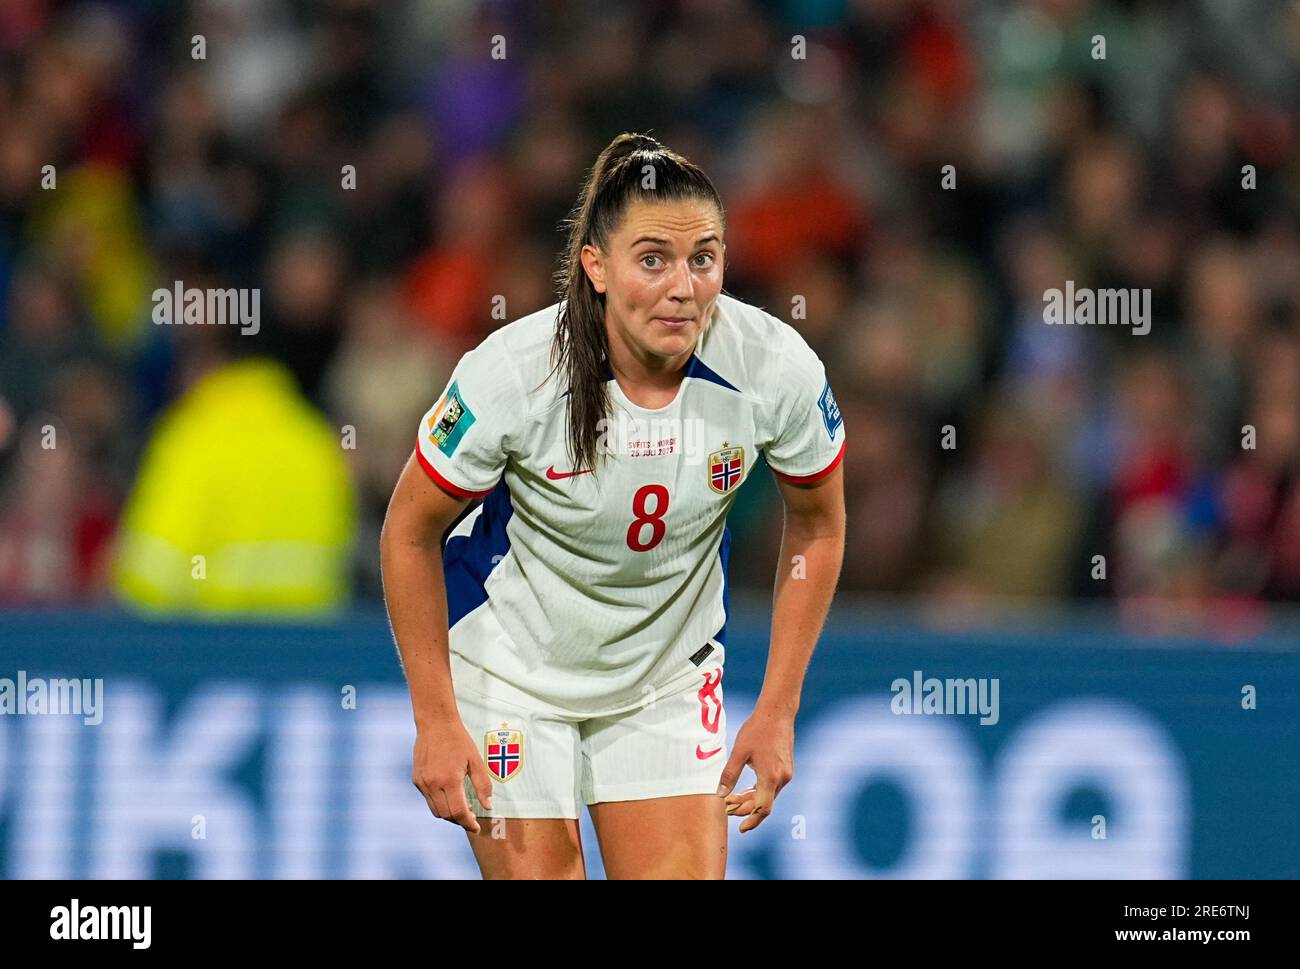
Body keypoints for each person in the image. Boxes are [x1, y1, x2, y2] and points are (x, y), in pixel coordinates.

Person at [381, 133, 846, 879]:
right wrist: (435, 719)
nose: (684, 285)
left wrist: (779, 707)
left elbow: (818, 526)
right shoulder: (513, 374)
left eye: (704, 257)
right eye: (653, 258)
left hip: (662, 678)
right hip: (513, 670)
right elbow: (408, 531)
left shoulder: (773, 367)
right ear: (596, 266)